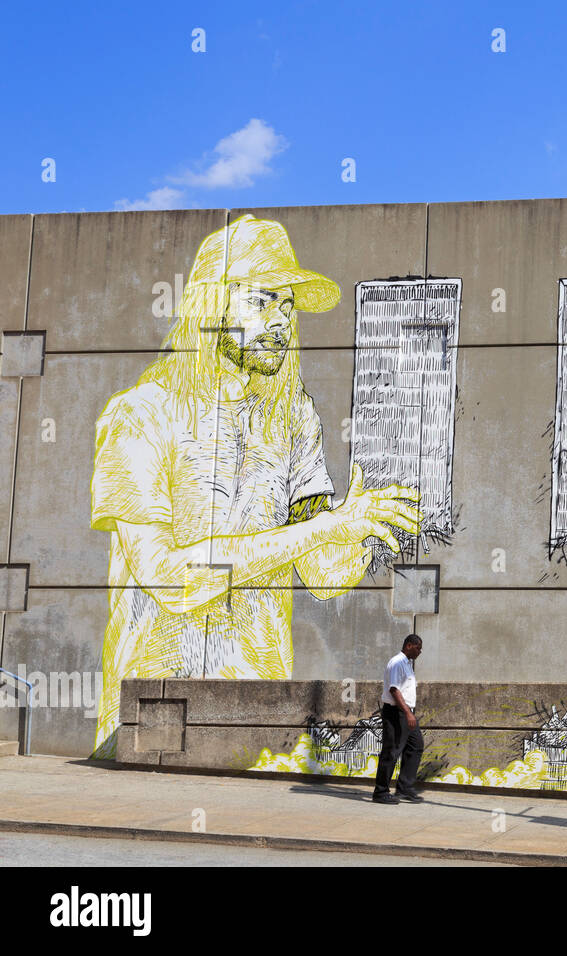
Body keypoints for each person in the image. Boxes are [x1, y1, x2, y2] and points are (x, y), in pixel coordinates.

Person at [90, 215, 421, 756]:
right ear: (212, 305)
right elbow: (167, 576)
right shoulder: (140, 416)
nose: (281, 322)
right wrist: (331, 525)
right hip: (150, 717)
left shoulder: (294, 419)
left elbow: (322, 576)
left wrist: (365, 526)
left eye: (287, 307)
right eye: (262, 300)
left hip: (259, 714)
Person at [373, 634, 425, 804]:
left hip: (406, 712)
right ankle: (381, 792)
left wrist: (409, 712)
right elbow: (394, 690)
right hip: (397, 712)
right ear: (409, 645)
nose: (420, 652)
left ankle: (404, 788)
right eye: (418, 648)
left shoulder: (407, 664)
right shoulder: (397, 662)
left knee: (415, 746)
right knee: (392, 751)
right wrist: (408, 713)